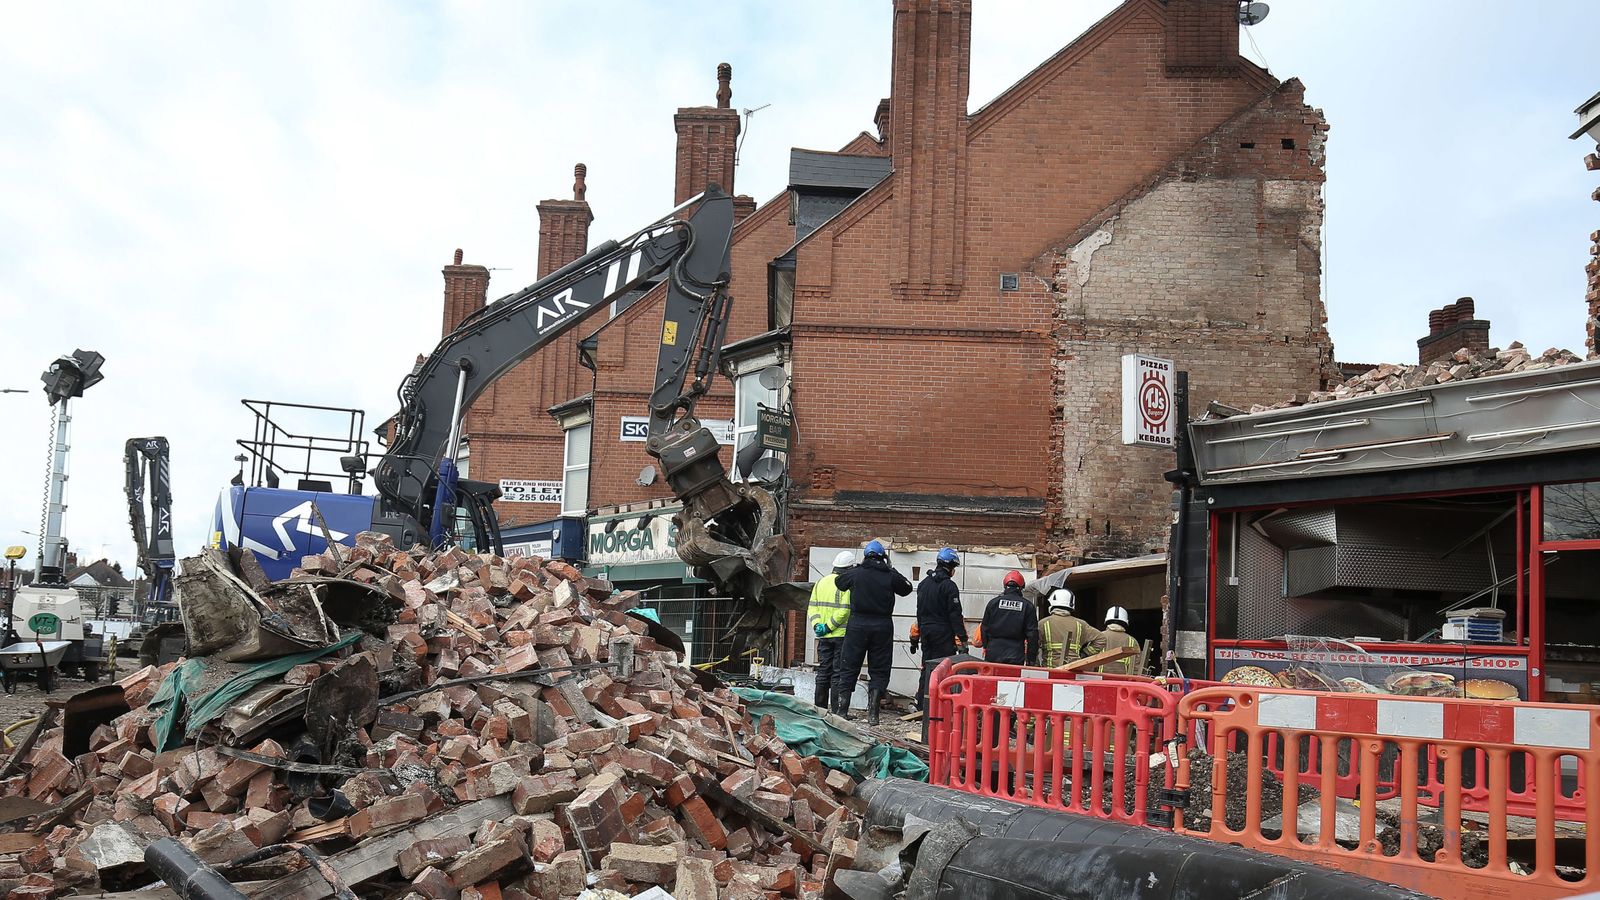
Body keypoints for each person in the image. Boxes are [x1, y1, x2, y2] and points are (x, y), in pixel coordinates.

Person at [831, 539, 912, 725]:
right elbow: (906, 588)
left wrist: (856, 569)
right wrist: (891, 568)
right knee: (879, 669)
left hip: (857, 625)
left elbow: (839, 582)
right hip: (882, 626)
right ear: (883, 557)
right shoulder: (889, 575)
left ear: (865, 556)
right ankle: (873, 714)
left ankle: (842, 710)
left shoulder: (856, 573)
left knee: (849, 665)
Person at [914, 547, 967, 712]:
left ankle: (923, 704)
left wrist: (918, 635)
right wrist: (962, 638)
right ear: (950, 566)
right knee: (943, 669)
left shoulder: (923, 584)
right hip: (943, 633)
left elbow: (919, 612)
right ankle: (939, 706)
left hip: (926, 632)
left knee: (927, 666)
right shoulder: (949, 586)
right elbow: (955, 615)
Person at [806, 550, 855, 710]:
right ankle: (835, 711)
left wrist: (818, 626)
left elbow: (812, 607)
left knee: (823, 670)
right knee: (837, 673)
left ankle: (819, 709)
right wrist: (829, 626)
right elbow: (845, 610)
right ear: (849, 568)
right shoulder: (846, 585)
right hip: (840, 635)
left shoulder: (820, 582)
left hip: (823, 636)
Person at [979, 571, 1038, 666]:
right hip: (1015, 654)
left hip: (993, 652)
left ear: (1005, 585)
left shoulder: (993, 603)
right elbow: (1032, 635)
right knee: (1012, 676)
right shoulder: (1027, 606)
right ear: (1022, 587)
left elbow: (984, 628)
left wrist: (986, 646)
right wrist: (1031, 659)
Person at [1038, 588, 1100, 669]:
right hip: (1074, 669)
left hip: (1050, 670)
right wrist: (1085, 653)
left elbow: (1033, 646)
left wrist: (1035, 664)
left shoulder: (1043, 623)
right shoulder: (1081, 624)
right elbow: (1101, 638)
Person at [1089, 606, 1140, 674]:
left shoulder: (1098, 637)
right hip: (1124, 680)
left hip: (1100, 679)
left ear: (1106, 620)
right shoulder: (1132, 641)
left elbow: (1089, 663)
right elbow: (1136, 669)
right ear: (1126, 622)